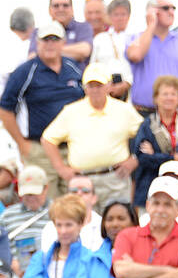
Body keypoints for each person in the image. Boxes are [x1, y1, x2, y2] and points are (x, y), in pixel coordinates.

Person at [0, 20, 84, 190]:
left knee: (74, 206)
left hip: (73, 149)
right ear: (37, 42)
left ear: (63, 43)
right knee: (45, 205)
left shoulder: (73, 68)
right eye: (45, 39)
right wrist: (21, 143)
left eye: (55, 39)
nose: (50, 44)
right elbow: (4, 110)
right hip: (39, 151)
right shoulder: (25, 71)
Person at [41, 62, 142, 206]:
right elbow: (48, 139)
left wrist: (135, 160)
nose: (95, 90)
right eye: (91, 86)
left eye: (99, 85)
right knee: (82, 222)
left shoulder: (124, 110)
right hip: (82, 180)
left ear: (108, 86)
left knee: (118, 221)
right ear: (84, 88)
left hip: (115, 177)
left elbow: (145, 135)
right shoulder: (71, 111)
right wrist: (61, 169)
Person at [125, 0, 178, 116]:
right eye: (165, 8)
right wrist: (151, 25)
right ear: (152, 11)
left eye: (173, 8)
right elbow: (136, 55)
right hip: (144, 113)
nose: (171, 12)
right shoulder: (135, 39)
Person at [130, 75, 178, 207]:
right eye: (165, 94)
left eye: (173, 94)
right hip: (149, 188)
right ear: (156, 98)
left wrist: (156, 155)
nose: (169, 98)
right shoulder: (147, 125)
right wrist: (176, 157)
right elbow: (143, 158)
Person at [0, 166, 50, 275]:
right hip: (15, 273)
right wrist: (11, 262)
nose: (30, 197)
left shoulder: (58, 211)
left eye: (34, 193)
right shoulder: (7, 216)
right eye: (26, 194)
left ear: (46, 188)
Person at [90, 0, 134, 101]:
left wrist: (127, 83)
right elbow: (93, 66)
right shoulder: (100, 39)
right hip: (104, 91)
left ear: (128, 16)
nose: (120, 18)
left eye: (123, 14)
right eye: (116, 14)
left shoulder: (136, 37)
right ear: (109, 16)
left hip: (131, 93)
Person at [44, 0, 94, 65]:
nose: (61, 9)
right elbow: (33, 57)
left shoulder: (83, 27)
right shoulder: (39, 32)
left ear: (72, 9)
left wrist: (49, 51)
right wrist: (71, 51)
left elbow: (84, 51)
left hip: (77, 76)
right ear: (49, 10)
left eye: (65, 5)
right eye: (56, 6)